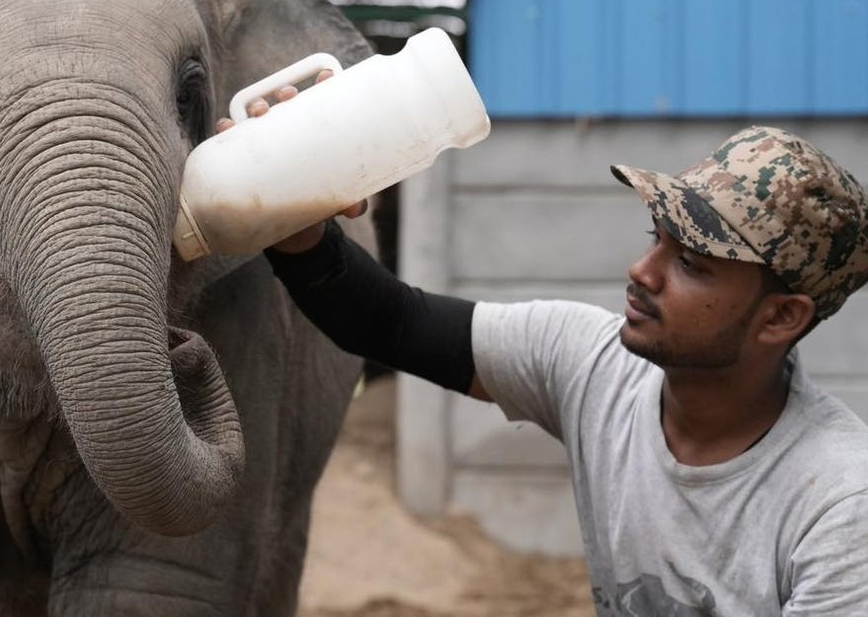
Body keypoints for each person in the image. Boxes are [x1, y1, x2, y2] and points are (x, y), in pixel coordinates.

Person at [220, 99, 868, 615]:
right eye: (656, 240)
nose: (643, 271)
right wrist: (298, 230)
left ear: (781, 317)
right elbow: (389, 321)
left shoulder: (840, 503)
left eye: (691, 264)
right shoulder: (591, 365)